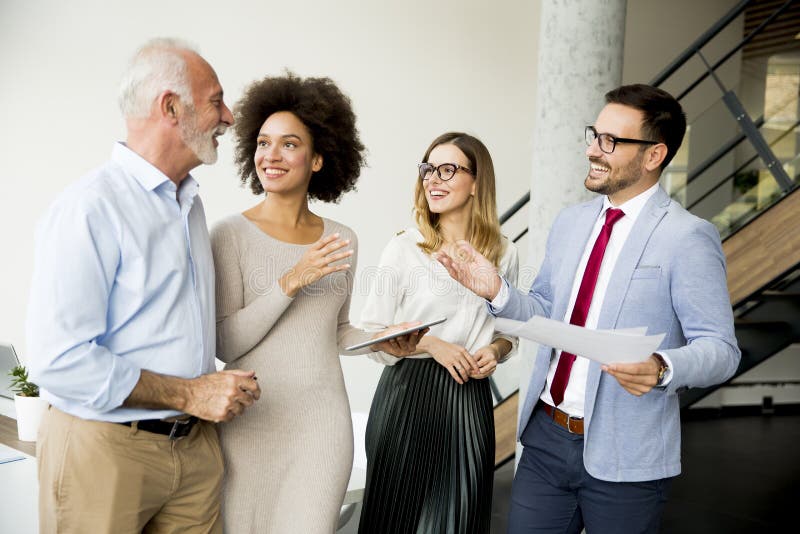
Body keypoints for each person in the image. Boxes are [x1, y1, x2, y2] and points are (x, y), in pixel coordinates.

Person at [435, 84, 741, 533]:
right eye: (594, 135)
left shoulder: (687, 237)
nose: (593, 150)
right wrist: (497, 290)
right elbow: (542, 310)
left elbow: (721, 349)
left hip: (627, 455)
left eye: (610, 141)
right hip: (545, 439)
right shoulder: (571, 222)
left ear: (654, 155)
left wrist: (662, 366)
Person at [26, 38, 261, 534]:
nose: (231, 116)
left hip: (195, 452)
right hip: (105, 451)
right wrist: (189, 394)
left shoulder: (191, 204)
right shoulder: (89, 207)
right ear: (171, 107)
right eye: (217, 99)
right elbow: (59, 359)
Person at [211, 73, 424, 534]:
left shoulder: (341, 238)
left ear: (319, 158)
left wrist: (385, 341)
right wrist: (292, 280)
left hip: (320, 428)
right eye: (264, 143)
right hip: (247, 424)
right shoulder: (228, 235)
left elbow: (338, 331)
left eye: (289, 144)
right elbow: (226, 342)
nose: (271, 155)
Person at [357, 132, 519, 533]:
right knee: (395, 519)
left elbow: (510, 333)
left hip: (468, 397)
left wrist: (495, 352)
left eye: (448, 170)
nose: (433, 179)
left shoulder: (505, 252)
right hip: (406, 397)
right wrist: (431, 343)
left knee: (459, 521)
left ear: (477, 182)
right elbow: (371, 334)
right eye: (428, 169)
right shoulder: (404, 248)